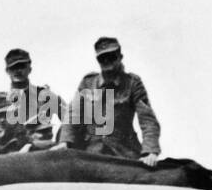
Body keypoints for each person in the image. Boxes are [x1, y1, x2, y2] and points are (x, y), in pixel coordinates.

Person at [56, 37, 160, 165]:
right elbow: (73, 114)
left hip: (124, 152)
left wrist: (150, 151)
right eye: (102, 58)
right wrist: (64, 142)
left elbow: (147, 119)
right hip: (91, 152)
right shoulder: (88, 82)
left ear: (120, 57)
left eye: (111, 57)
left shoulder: (132, 83)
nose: (106, 61)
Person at [0, 48, 63, 150]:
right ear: (7, 71)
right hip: (14, 154)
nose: (18, 71)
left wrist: (63, 140)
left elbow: (70, 118)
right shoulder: (1, 102)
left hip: (43, 151)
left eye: (22, 66)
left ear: (29, 68)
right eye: (13, 67)